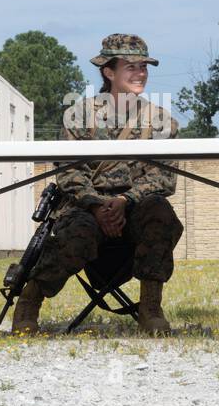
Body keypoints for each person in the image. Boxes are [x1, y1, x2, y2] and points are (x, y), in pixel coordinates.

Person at [11, 35, 184, 335]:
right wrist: (96, 205)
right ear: (108, 72)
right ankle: (29, 303)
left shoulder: (161, 120)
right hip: (86, 209)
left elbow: (164, 178)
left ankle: (151, 309)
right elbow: (68, 172)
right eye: (130, 66)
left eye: (144, 66)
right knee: (74, 231)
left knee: (160, 212)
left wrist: (125, 201)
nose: (140, 73)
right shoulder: (80, 115)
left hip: (134, 210)